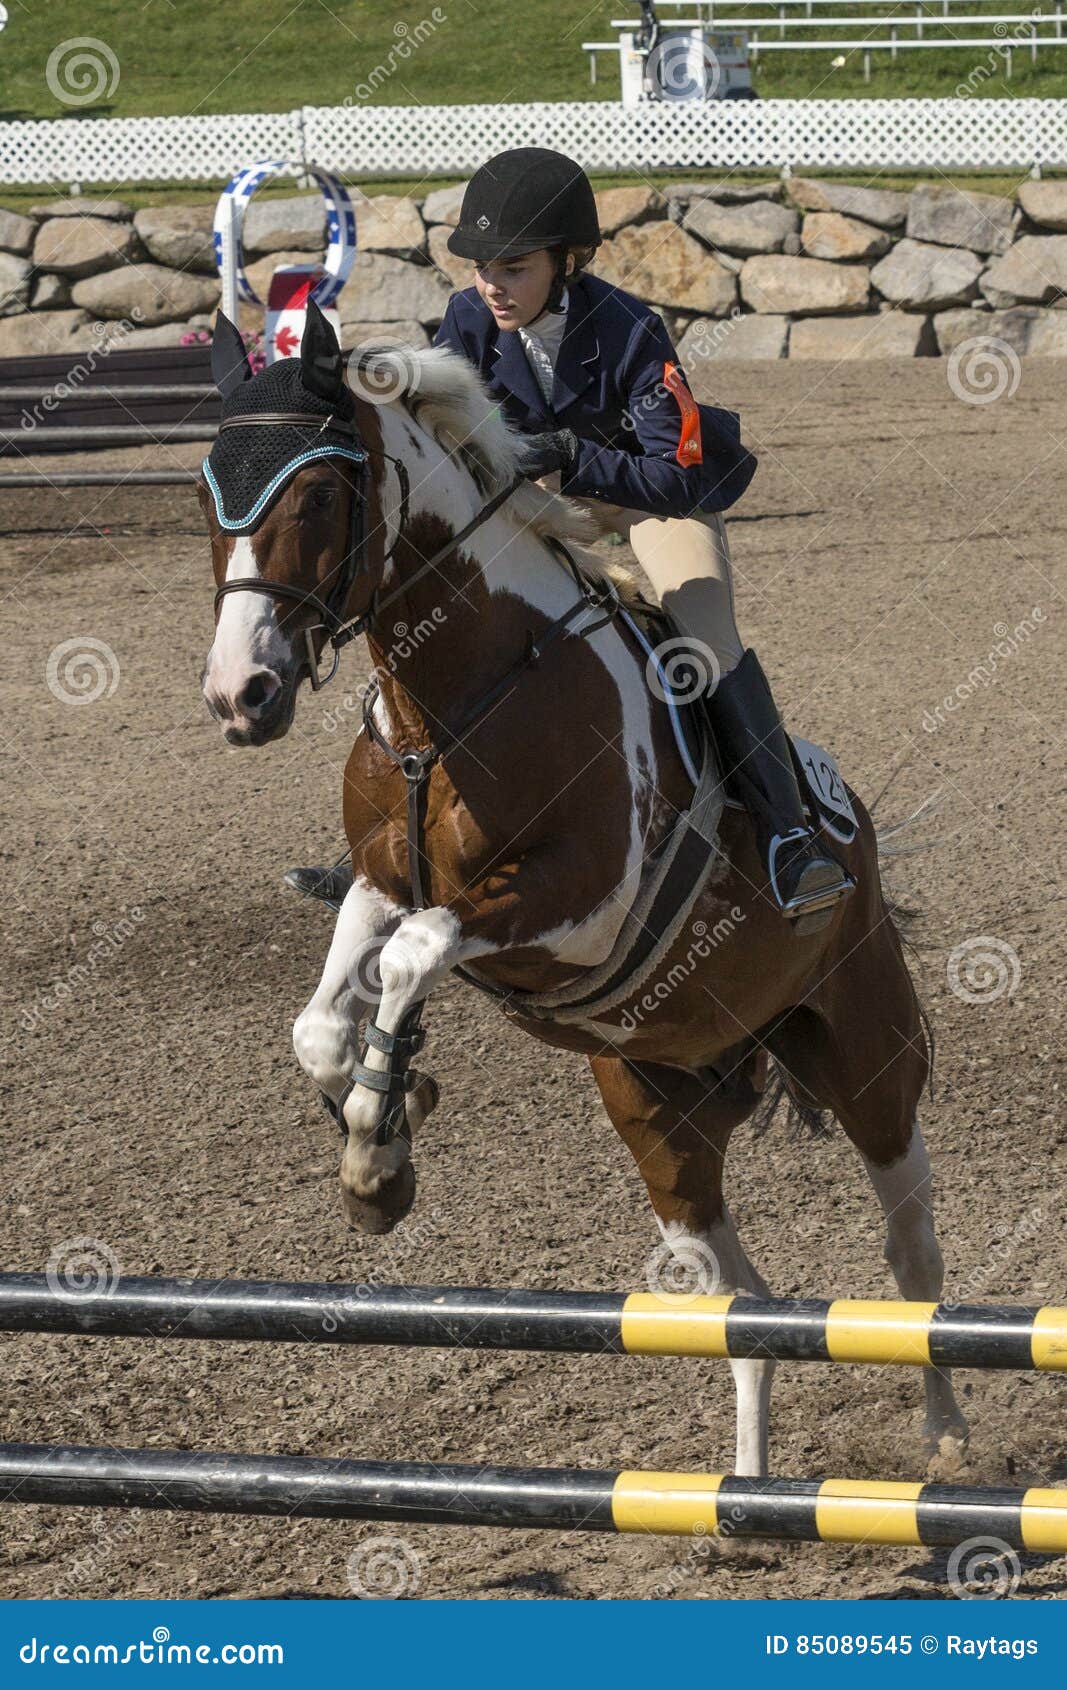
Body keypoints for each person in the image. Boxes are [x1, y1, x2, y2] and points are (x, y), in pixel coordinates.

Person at [287, 147, 853, 934]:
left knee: (704, 640)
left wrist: (573, 455)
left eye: (513, 268)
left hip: (647, 503)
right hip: (536, 504)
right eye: (482, 267)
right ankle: (389, 857)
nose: (492, 285)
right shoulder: (466, 318)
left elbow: (675, 476)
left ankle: (788, 838)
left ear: (566, 260)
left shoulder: (629, 330)